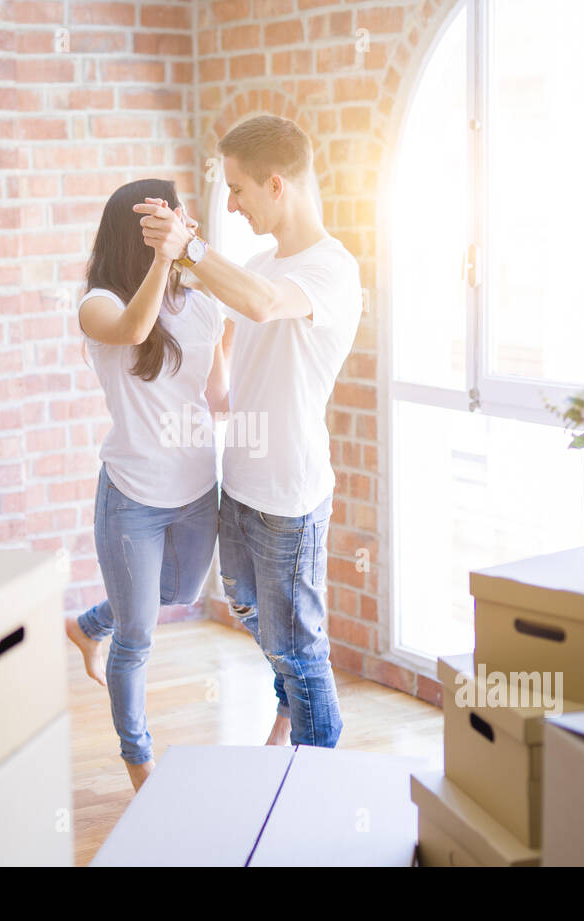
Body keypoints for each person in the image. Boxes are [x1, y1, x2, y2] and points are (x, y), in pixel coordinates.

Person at [136, 115, 363, 749]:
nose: (231, 205)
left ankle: (316, 775)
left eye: (236, 190)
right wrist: (170, 258)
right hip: (241, 480)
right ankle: (286, 714)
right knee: (258, 620)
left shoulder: (332, 270)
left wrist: (194, 251)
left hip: (289, 494)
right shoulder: (264, 259)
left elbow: (263, 302)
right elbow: (234, 325)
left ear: (276, 184)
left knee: (297, 646)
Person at [65, 178, 228, 792]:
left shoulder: (202, 303)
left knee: (180, 591)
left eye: (180, 216)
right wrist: (166, 259)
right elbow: (135, 330)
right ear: (139, 234)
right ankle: (141, 766)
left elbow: (217, 397)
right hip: (131, 493)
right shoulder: (97, 302)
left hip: (194, 488)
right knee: (138, 638)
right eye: (167, 219)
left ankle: (88, 623)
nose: (181, 225)